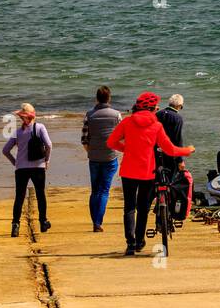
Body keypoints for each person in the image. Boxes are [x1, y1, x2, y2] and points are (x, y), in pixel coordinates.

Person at [106, 91, 194, 255]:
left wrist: (127, 149)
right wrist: (187, 150)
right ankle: (140, 240)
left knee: (129, 208)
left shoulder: (127, 122)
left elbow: (111, 142)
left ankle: (130, 243)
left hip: (128, 171)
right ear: (153, 109)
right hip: (147, 172)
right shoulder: (156, 126)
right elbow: (170, 149)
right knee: (143, 207)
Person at [2, 102, 51, 237]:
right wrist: (47, 160)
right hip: (38, 167)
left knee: (19, 197)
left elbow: (5, 150)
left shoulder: (17, 132)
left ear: (22, 117)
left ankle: (15, 225)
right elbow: (49, 145)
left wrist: (15, 163)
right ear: (33, 116)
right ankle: (43, 222)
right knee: (40, 195)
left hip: (21, 169)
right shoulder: (40, 127)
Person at [81, 86, 123, 232]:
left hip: (94, 158)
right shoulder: (116, 115)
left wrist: (91, 152)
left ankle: (95, 221)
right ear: (109, 98)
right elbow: (121, 136)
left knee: (95, 190)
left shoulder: (89, 115)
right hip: (110, 157)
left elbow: (84, 139)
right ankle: (98, 222)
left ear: (97, 98)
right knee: (104, 190)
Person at [155, 94, 185, 173]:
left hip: (156, 151)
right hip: (170, 152)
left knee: (157, 176)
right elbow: (178, 139)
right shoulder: (178, 118)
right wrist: (180, 160)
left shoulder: (158, 114)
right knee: (171, 178)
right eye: (181, 107)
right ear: (179, 106)